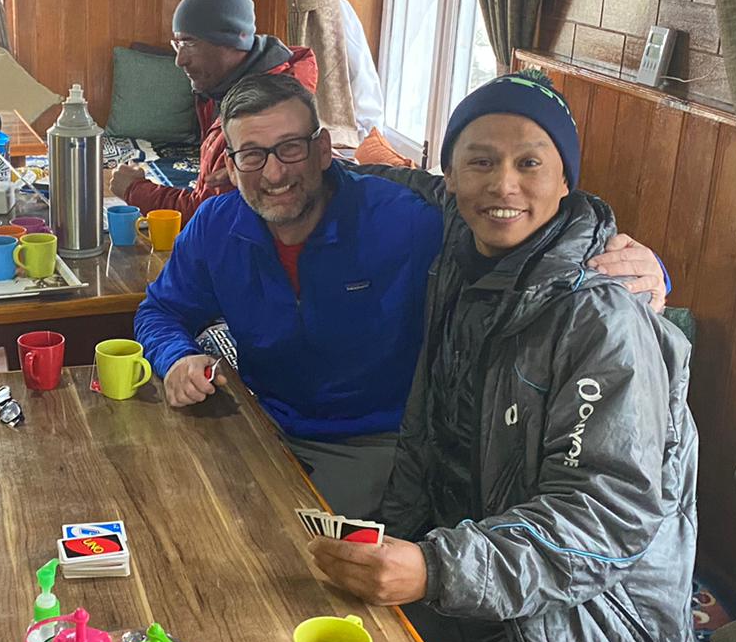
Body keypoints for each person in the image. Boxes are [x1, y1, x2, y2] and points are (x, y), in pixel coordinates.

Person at [310, 73, 698, 642]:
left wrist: (434, 568)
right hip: (477, 587)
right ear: (452, 176)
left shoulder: (603, 315)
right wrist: (296, 165)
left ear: (567, 180)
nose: (504, 185)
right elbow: (388, 180)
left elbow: (605, 515)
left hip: (594, 634)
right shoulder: (464, 253)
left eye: (531, 163)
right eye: (480, 162)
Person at [134, 72, 669, 518]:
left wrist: (652, 273)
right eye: (252, 155)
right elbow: (160, 309)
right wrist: (176, 356)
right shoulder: (216, 225)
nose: (274, 173)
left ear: (323, 151)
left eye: (290, 148)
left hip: (377, 445)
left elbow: (526, 242)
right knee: (168, 510)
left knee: (277, 556)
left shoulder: (405, 222)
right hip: (260, 423)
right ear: (229, 166)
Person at [109, 0, 316, 224]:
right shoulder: (220, 90)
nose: (179, 60)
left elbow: (206, 219)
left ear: (231, 43)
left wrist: (134, 189)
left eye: (189, 43)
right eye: (177, 44)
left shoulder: (259, 116)